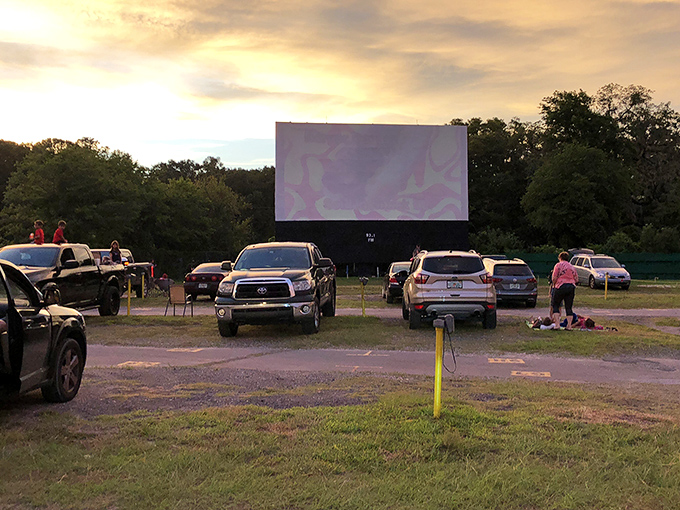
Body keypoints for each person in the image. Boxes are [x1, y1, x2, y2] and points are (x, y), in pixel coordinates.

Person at [551, 251, 578, 330]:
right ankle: (569, 326)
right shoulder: (572, 267)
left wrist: (554, 285)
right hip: (571, 286)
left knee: (556, 305)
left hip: (560, 286)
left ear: (560, 258)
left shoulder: (558, 265)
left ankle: (557, 325)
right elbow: (576, 279)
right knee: (568, 307)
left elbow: (554, 278)